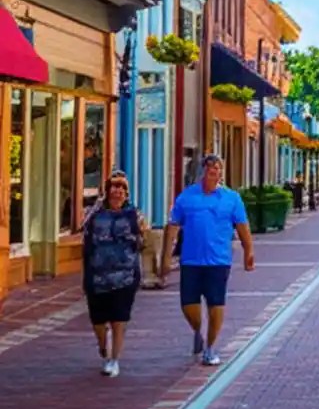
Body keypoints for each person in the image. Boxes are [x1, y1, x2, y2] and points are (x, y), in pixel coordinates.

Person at [160, 154, 256, 366]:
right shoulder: (186, 197)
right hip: (191, 261)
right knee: (188, 306)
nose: (215, 172)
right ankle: (198, 329)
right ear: (203, 171)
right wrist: (165, 259)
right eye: (211, 169)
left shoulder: (231, 199)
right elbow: (173, 227)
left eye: (218, 169)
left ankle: (210, 348)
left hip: (218, 261)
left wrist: (248, 251)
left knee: (216, 305)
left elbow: (242, 227)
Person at [82, 170, 147, 377]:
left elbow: (143, 242)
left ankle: (114, 359)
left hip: (125, 276)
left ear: (126, 194)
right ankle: (103, 346)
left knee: (119, 318)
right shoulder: (94, 215)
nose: (118, 191)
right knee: (99, 322)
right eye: (114, 187)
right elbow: (84, 241)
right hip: (97, 276)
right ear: (107, 191)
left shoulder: (135, 215)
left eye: (122, 188)